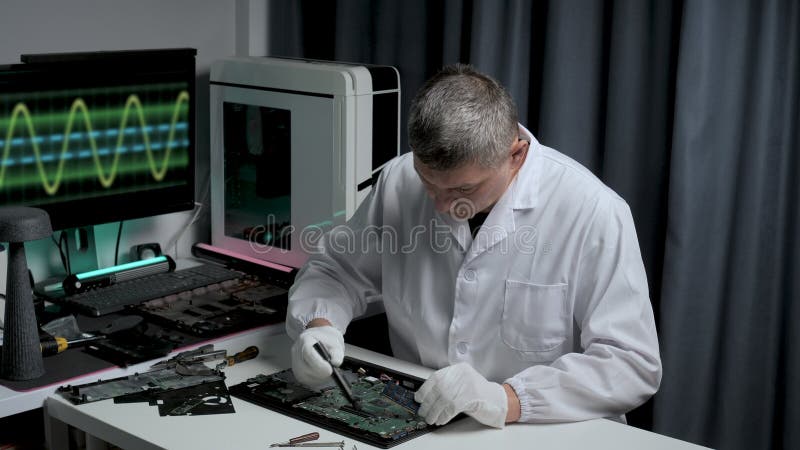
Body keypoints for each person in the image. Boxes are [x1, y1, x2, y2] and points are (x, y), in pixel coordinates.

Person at [286, 63, 662, 428]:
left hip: (547, 430)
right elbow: (336, 271)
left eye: (463, 189)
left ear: (515, 155)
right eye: (427, 181)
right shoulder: (399, 180)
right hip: (420, 420)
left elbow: (630, 363)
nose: (440, 205)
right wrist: (320, 327)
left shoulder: (593, 211)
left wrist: (506, 399)